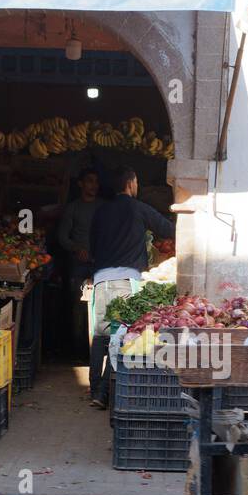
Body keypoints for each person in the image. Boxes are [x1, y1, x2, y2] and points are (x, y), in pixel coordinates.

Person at [86, 168, 176, 408]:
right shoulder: (137, 208)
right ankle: (103, 393)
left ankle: (95, 389)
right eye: (136, 182)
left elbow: (91, 246)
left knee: (100, 336)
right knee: (122, 336)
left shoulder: (100, 210)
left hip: (101, 280)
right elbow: (167, 229)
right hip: (126, 281)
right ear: (131, 183)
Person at [56, 169, 101, 357]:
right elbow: (62, 237)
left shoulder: (103, 207)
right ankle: (78, 349)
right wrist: (76, 248)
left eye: (96, 182)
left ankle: (96, 348)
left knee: (99, 305)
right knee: (77, 307)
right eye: (89, 181)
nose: (94, 185)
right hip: (78, 264)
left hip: (100, 263)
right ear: (81, 184)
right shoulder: (73, 208)